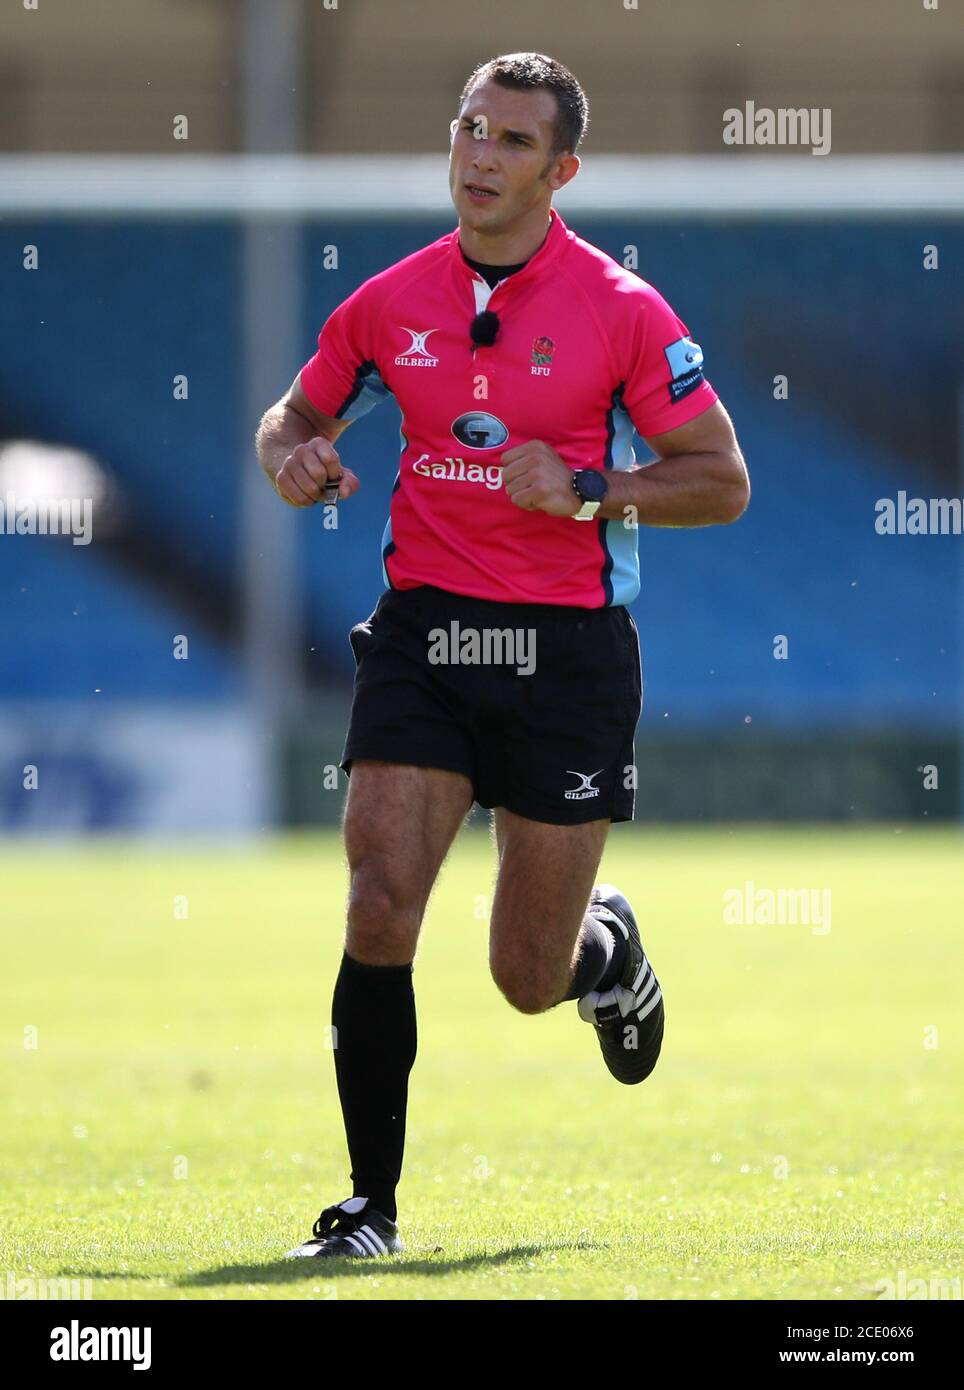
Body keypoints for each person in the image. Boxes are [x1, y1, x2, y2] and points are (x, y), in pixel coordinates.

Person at [255, 51, 749, 1260]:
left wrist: (590, 489)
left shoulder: (623, 310)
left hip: (567, 656)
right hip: (423, 635)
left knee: (524, 976)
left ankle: (601, 950)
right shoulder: (387, 301)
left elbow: (722, 482)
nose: (481, 154)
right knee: (378, 902)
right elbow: (294, 412)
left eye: (513, 141)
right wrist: (289, 454)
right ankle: (368, 1207)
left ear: (560, 168)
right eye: (470, 128)